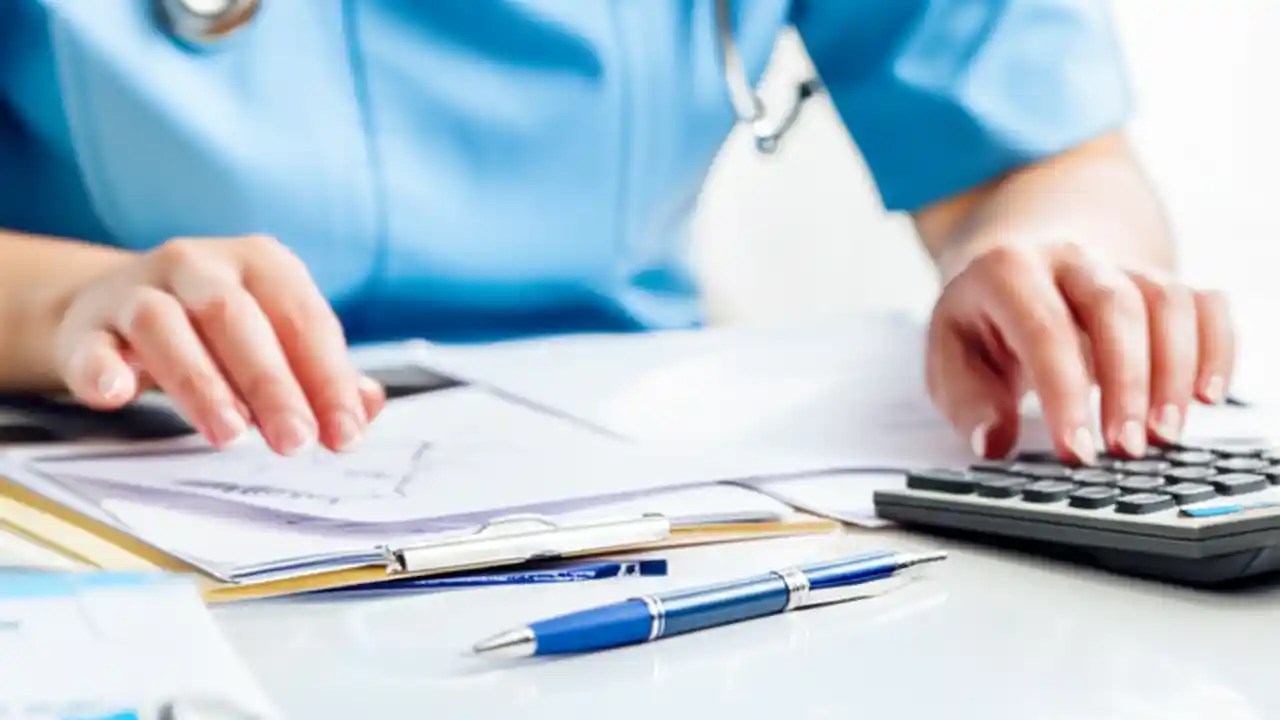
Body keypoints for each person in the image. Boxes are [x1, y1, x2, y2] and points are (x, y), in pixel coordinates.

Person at [0, 1, 1233, 463]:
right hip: (117, 472)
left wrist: (1044, 264)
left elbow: (1038, 155)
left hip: (633, 485)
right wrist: (66, 304)